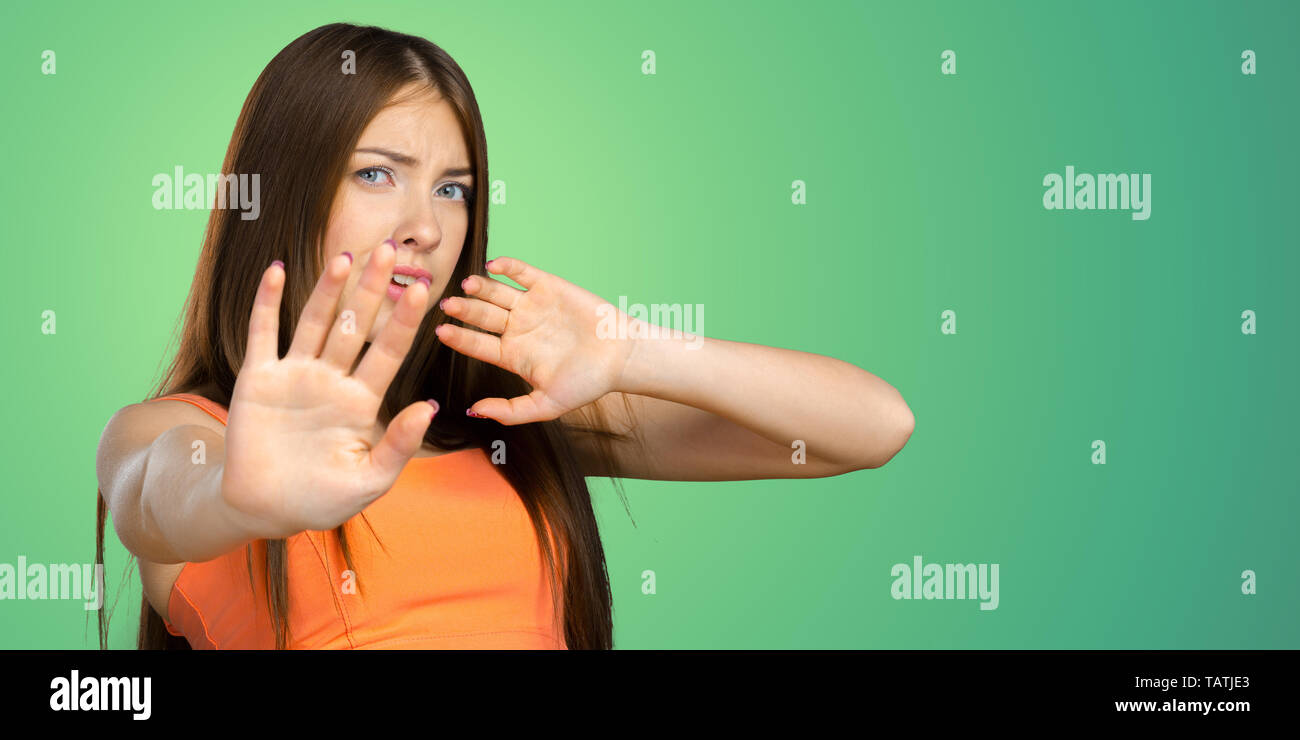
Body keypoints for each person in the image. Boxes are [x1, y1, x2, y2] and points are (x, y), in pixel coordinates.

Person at [94, 22, 915, 650]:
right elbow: (153, 499)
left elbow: (874, 427)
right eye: (376, 174)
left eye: (453, 189)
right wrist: (238, 491)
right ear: (285, 192)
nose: (425, 225)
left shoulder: (507, 417)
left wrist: (639, 352)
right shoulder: (178, 433)